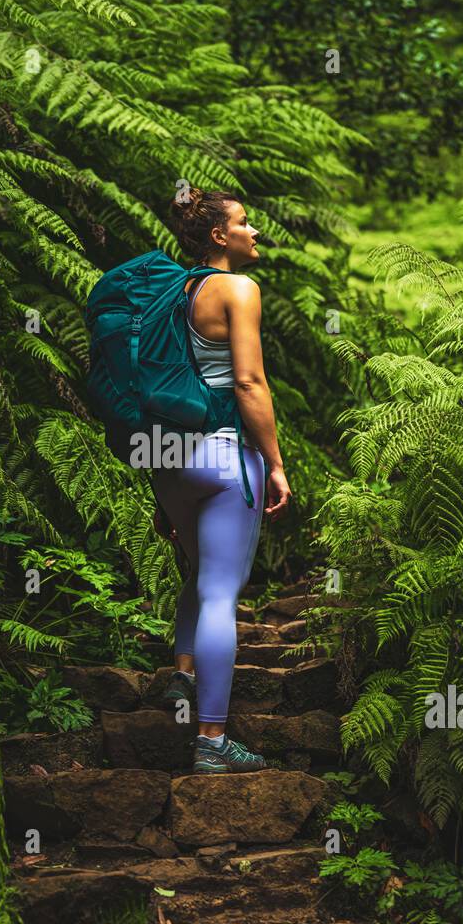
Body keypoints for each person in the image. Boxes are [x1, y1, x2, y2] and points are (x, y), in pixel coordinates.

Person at [150, 188, 292, 773]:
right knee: (218, 593)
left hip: (168, 456)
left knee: (197, 573)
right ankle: (211, 740)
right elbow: (249, 382)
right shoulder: (239, 289)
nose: (254, 230)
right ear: (219, 236)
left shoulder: (176, 292)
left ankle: (183, 675)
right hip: (224, 453)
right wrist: (276, 463)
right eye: (243, 222)